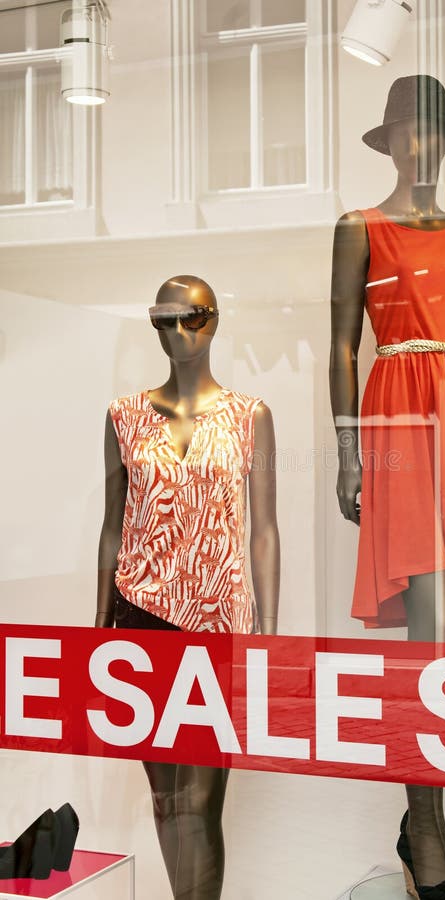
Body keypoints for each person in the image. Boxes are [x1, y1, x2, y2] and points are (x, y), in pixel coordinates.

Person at [329, 75, 445, 900]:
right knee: (424, 634)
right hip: (401, 421)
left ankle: (424, 824)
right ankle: (426, 829)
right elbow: (342, 345)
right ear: (391, 141)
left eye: (435, 130)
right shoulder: (360, 228)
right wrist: (348, 452)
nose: (422, 144)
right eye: (409, 130)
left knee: (438, 632)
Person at [96, 275, 280, 900]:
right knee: (166, 795)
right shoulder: (122, 416)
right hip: (139, 614)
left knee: (201, 798)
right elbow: (113, 526)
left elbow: (264, 529)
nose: (177, 332)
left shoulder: (250, 416)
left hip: (217, 621)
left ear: (215, 320)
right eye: (163, 320)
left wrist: (268, 635)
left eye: (191, 318)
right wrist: (99, 627)